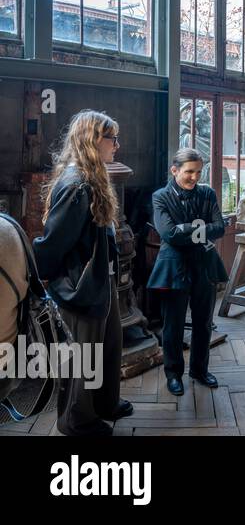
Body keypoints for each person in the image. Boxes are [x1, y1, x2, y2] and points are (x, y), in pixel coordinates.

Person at [33, 110, 130, 436]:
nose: (117, 145)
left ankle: (105, 403)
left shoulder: (94, 176)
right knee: (82, 356)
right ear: (92, 141)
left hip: (103, 279)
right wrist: (43, 279)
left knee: (110, 343)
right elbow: (53, 242)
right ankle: (76, 420)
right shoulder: (77, 185)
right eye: (111, 138)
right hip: (80, 286)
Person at [148, 148, 227, 397]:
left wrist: (186, 230)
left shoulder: (207, 193)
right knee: (173, 325)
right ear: (175, 170)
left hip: (205, 265)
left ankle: (200, 371)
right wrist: (200, 229)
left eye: (198, 172)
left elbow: (220, 228)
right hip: (174, 266)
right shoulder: (160, 196)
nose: (194, 177)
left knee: (204, 322)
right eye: (189, 172)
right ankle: (173, 375)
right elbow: (168, 233)